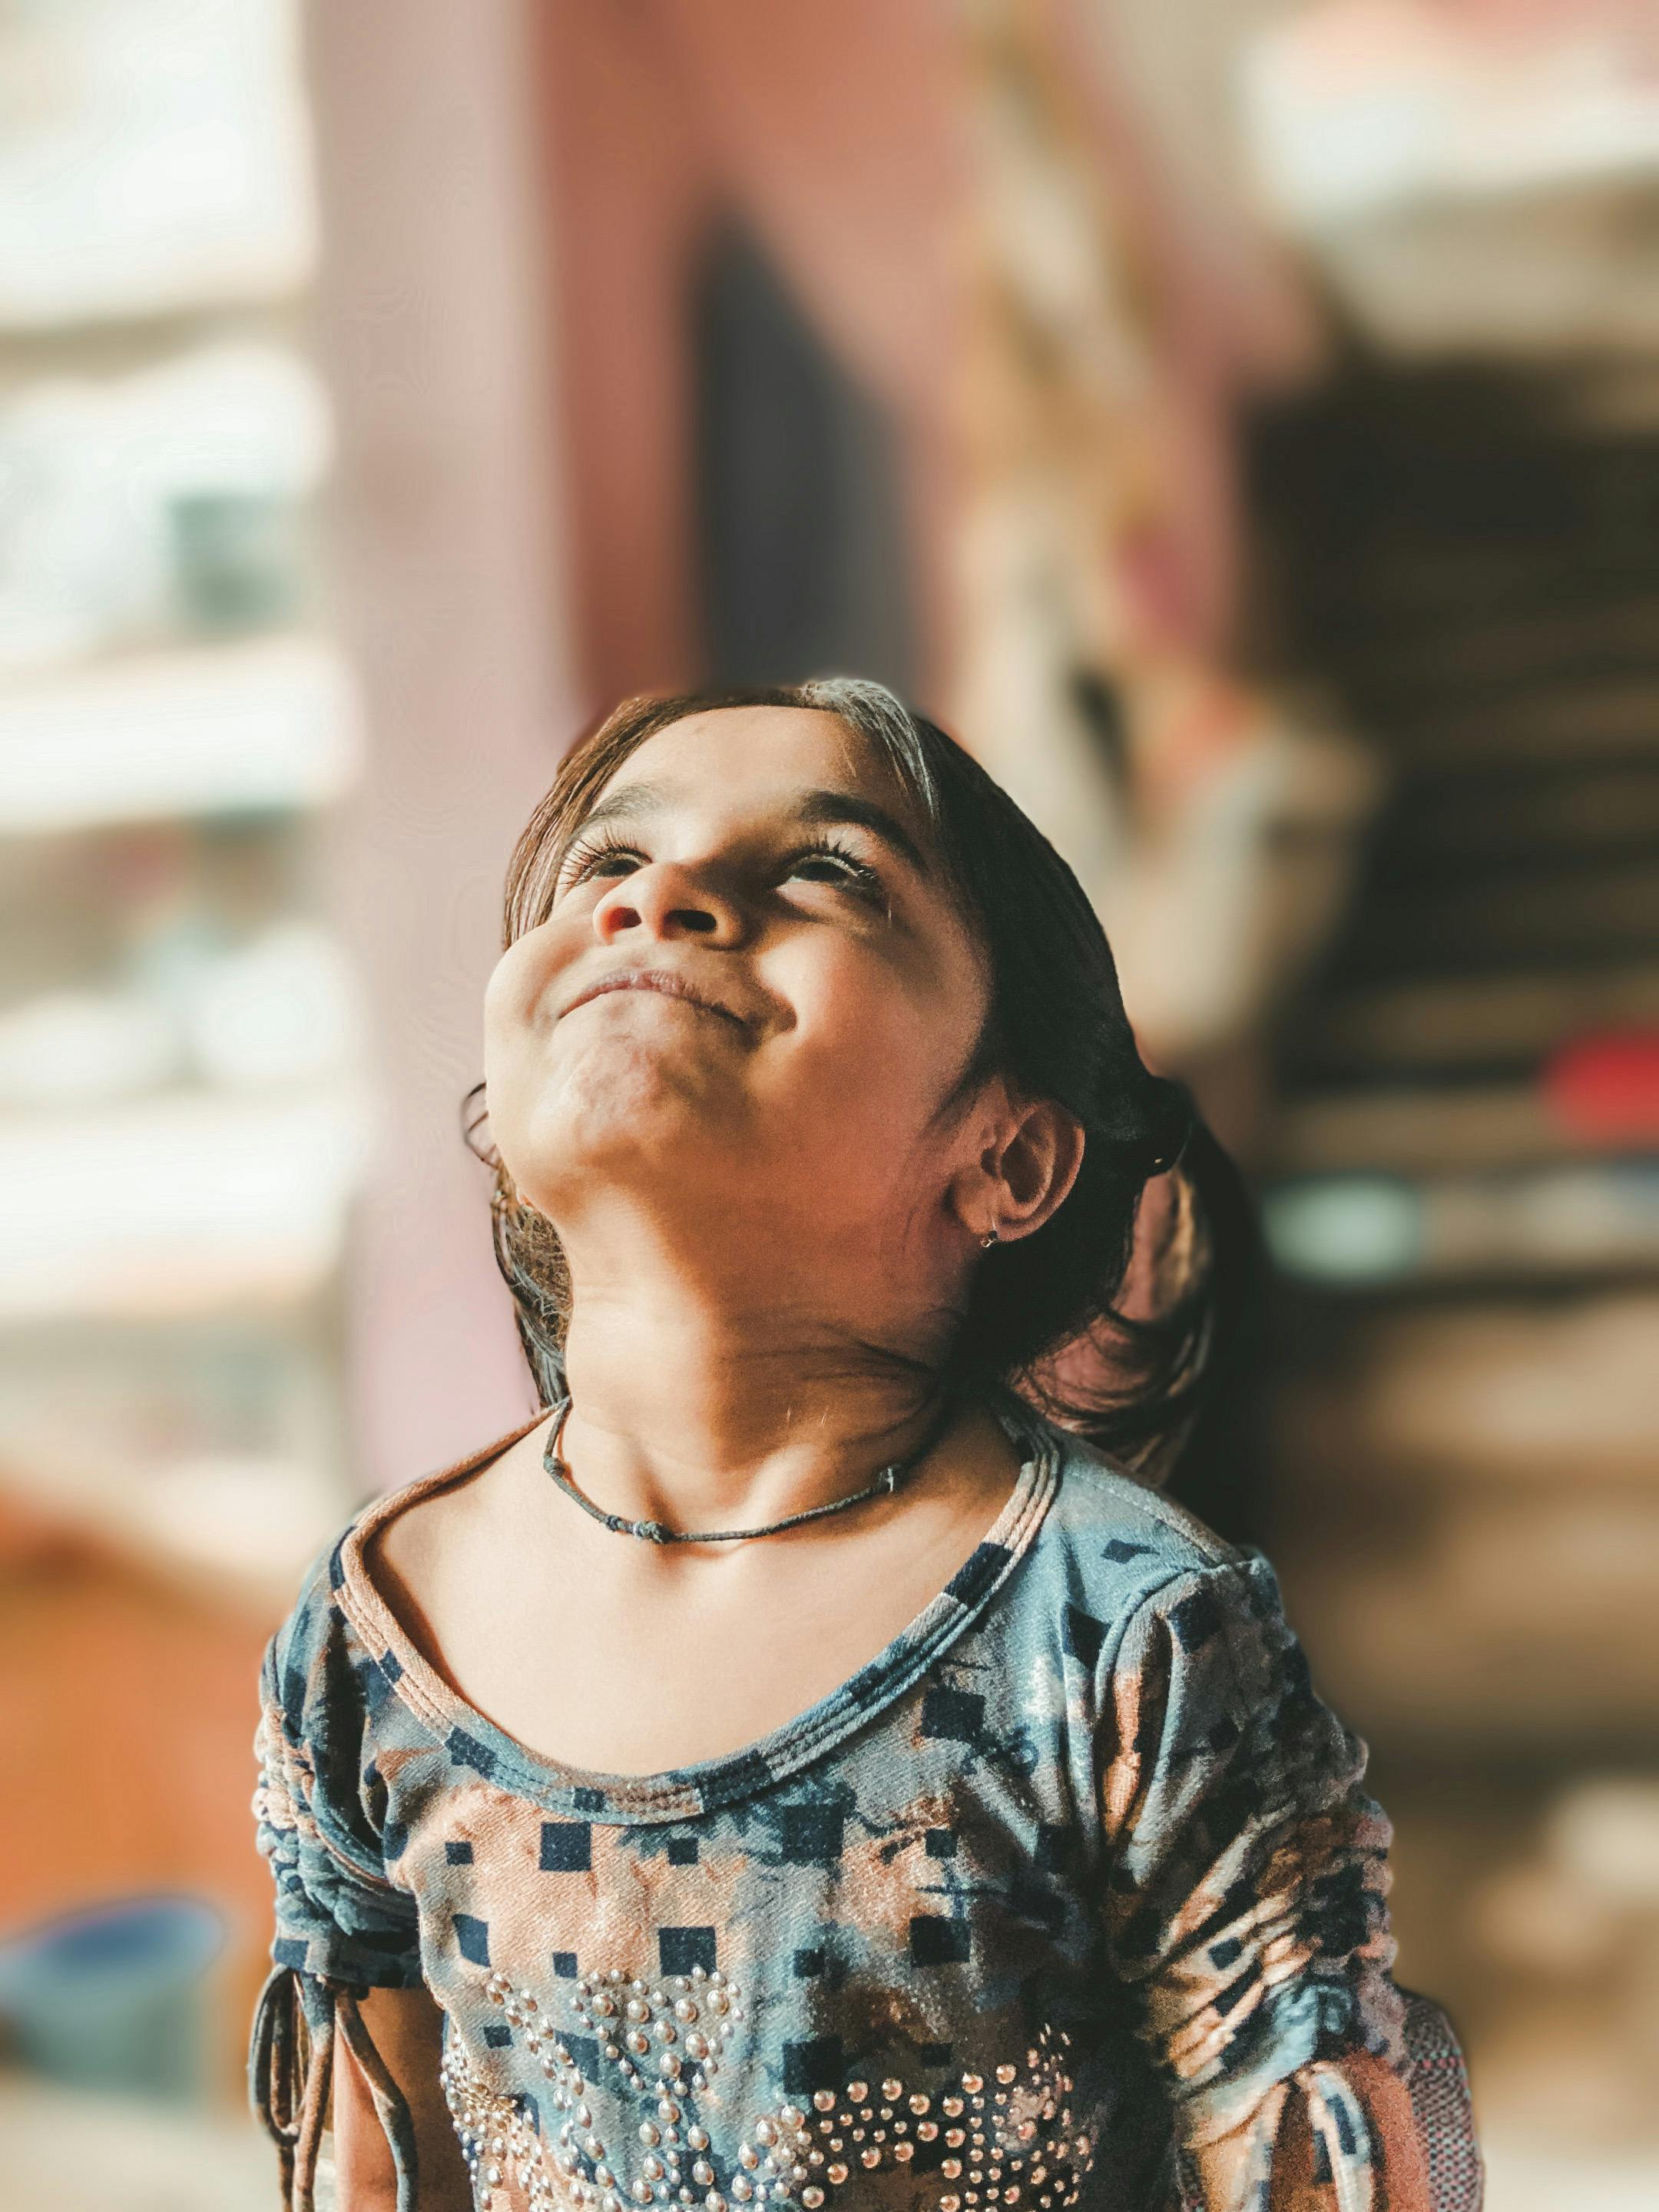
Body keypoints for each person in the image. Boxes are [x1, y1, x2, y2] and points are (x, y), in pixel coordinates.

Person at [249, 679, 1433, 2212]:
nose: (658, 894)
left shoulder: (1119, 1636)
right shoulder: (369, 1637)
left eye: (823, 873)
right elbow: (372, 2172)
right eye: (606, 867)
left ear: (1007, 1156)